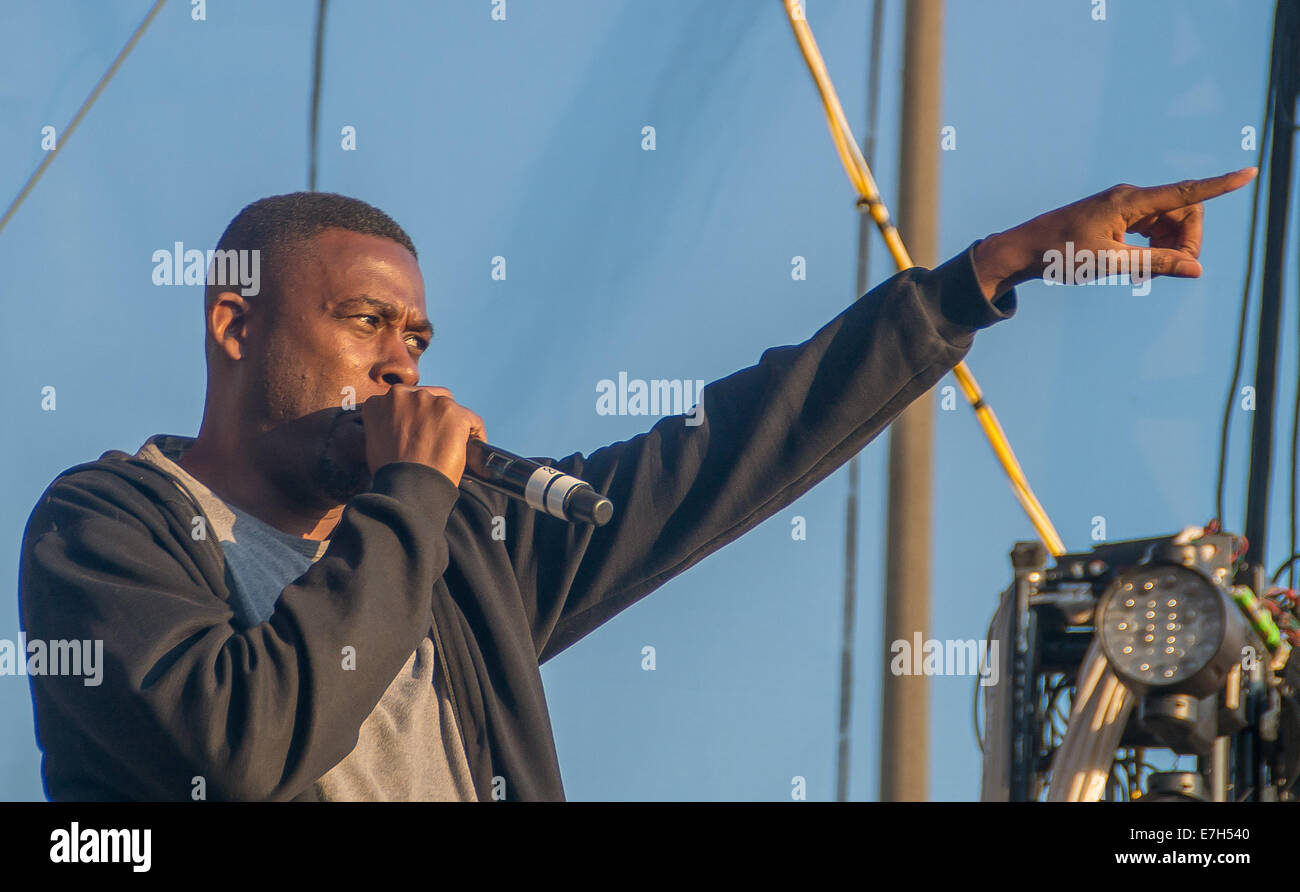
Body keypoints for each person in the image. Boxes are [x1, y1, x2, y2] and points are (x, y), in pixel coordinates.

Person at [17, 169, 1255, 801]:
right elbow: (241, 741)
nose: (401, 358)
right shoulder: (109, 525)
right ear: (235, 326)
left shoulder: (456, 554)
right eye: (362, 321)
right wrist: (407, 500)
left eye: (419, 339)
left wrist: (999, 265)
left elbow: (726, 449)